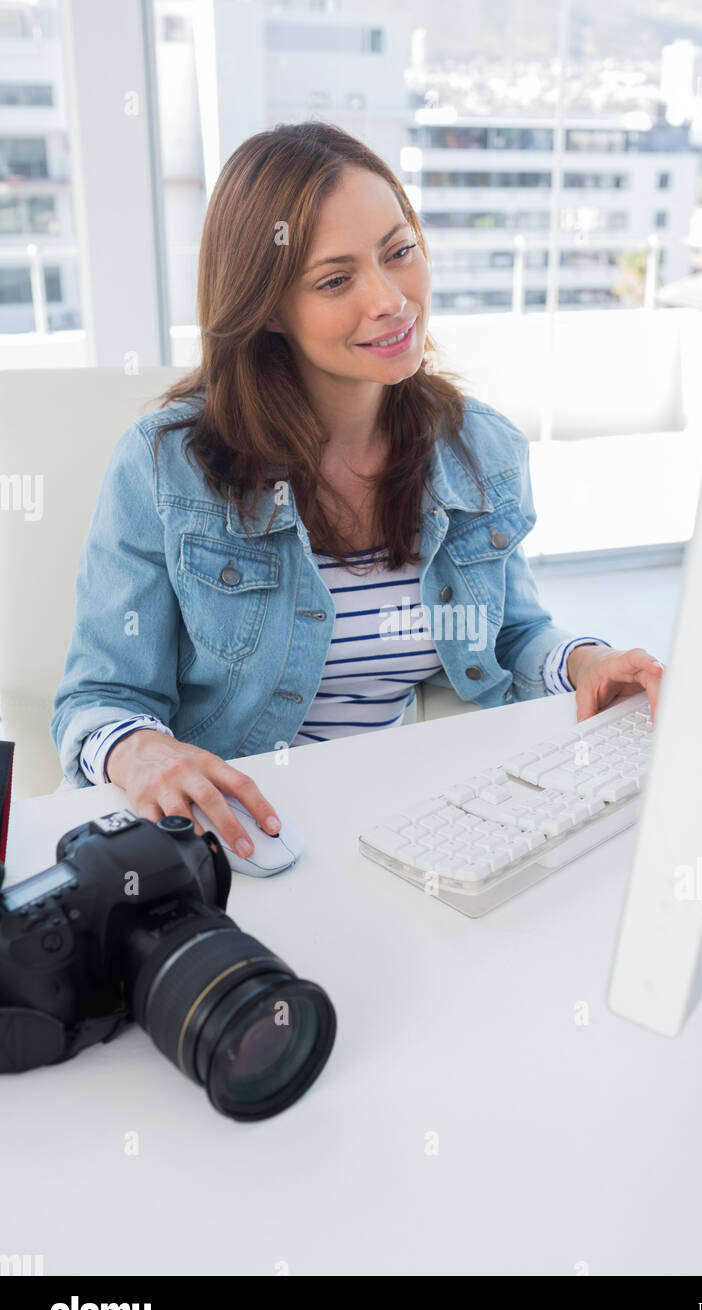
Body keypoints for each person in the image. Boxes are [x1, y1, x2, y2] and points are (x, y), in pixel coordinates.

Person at [51, 121, 664, 864]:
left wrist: (586, 662)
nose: (390, 300)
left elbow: (507, 631)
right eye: (336, 280)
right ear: (268, 306)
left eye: (398, 253)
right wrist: (141, 753)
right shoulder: (164, 467)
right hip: (234, 837)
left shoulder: (479, 447)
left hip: (403, 823)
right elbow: (99, 701)